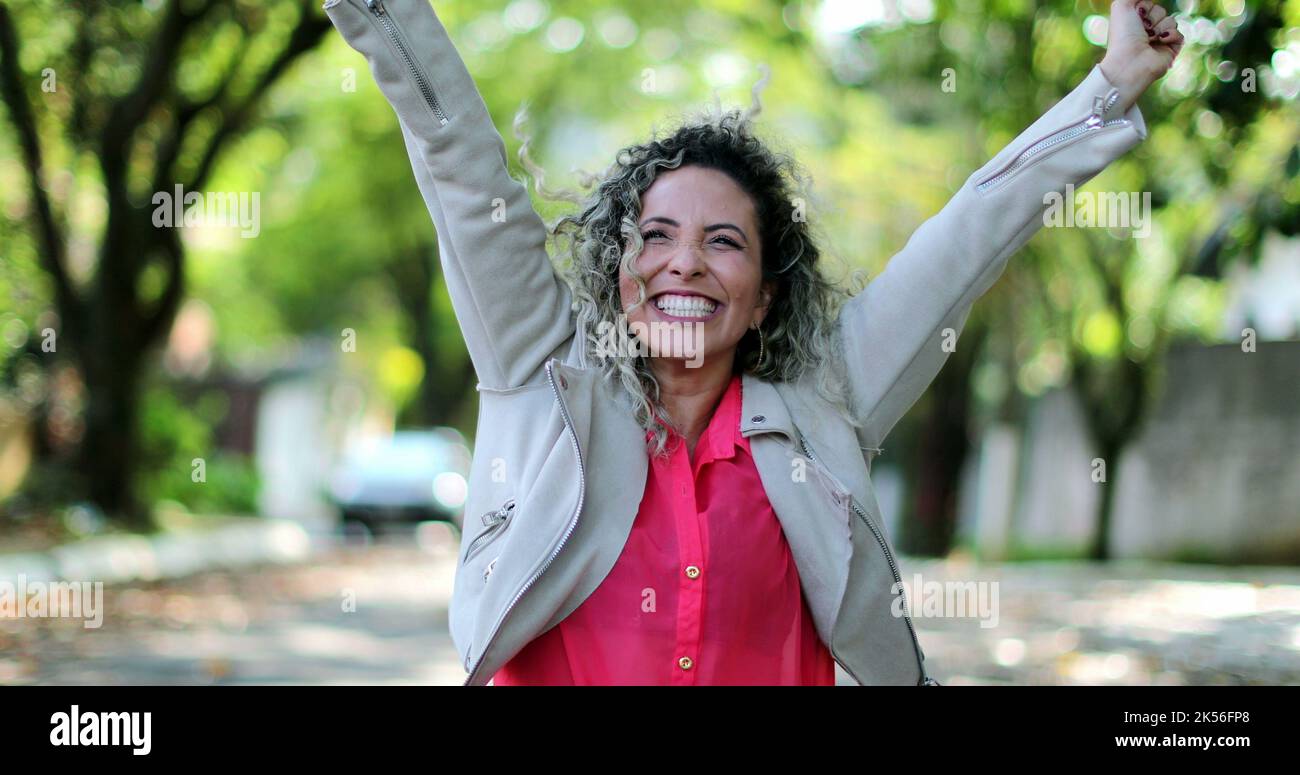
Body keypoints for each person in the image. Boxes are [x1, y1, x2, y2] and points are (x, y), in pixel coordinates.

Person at [322, 0, 1184, 685]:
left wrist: (1111, 84)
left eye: (723, 242)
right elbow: (462, 167)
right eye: (654, 236)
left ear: (767, 295)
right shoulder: (546, 377)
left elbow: (966, 238)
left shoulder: (825, 404)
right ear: (620, 273)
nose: (684, 264)